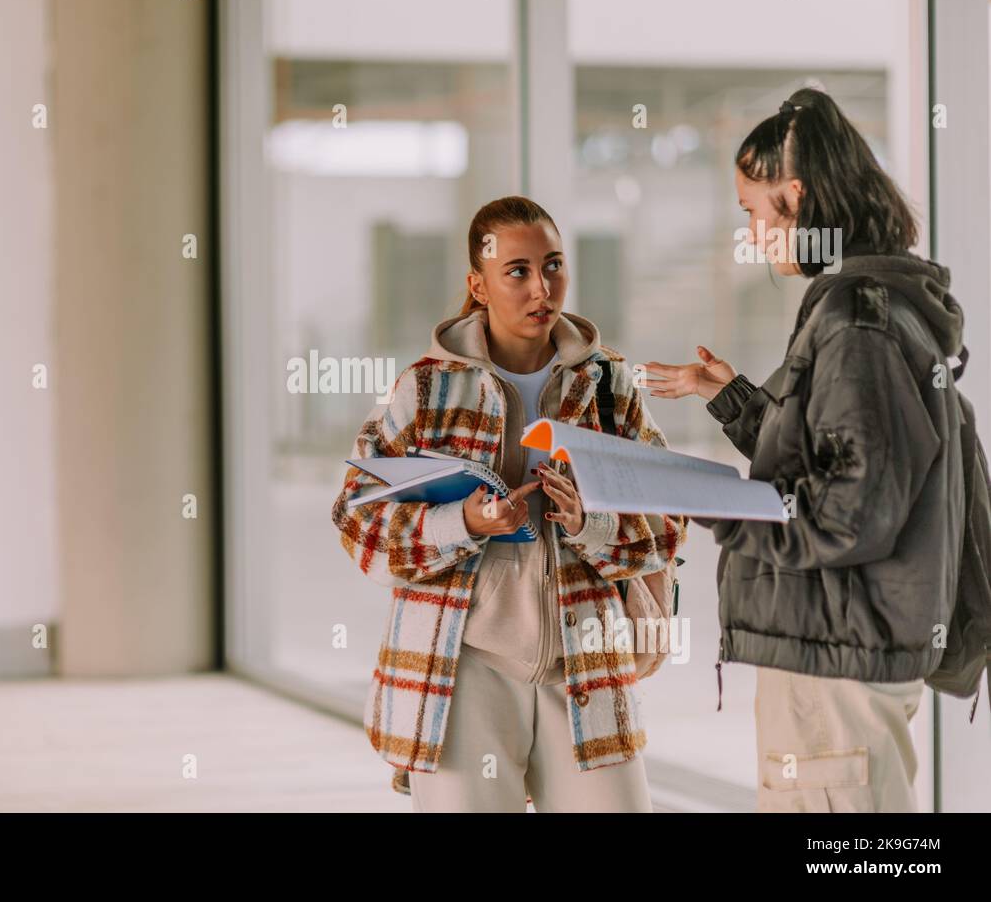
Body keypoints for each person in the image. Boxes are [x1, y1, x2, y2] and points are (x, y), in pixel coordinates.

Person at [644, 87, 966, 812]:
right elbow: (847, 461)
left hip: (835, 668)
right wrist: (733, 399)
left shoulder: (855, 319)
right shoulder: (875, 300)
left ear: (798, 196)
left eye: (755, 213)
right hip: (844, 651)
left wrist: (717, 507)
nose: (753, 234)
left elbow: (850, 514)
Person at [331, 195, 686, 811]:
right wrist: (460, 522)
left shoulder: (609, 385)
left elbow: (671, 523)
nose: (540, 287)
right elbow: (356, 521)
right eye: (517, 271)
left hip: (587, 661)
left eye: (552, 265)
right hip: (460, 667)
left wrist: (590, 523)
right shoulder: (424, 388)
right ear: (479, 283)